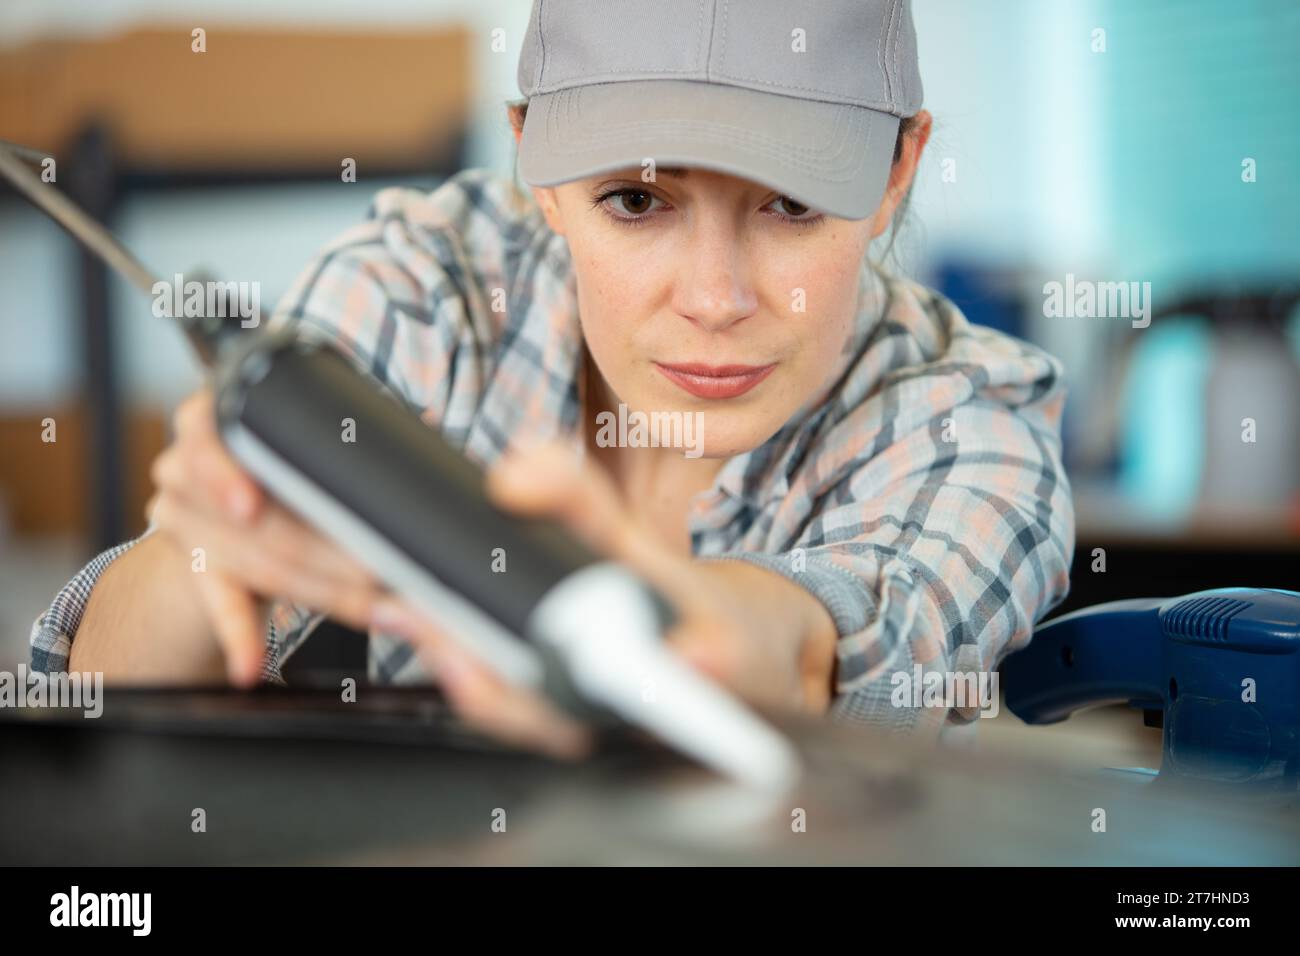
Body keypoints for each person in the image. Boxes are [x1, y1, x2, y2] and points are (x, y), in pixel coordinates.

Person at [31, 0, 1074, 756]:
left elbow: (813, 652)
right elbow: (90, 700)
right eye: (634, 199)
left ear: (897, 168)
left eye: (790, 205)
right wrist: (197, 568)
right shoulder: (429, 285)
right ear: (536, 161)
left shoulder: (970, 419)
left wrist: (688, 636)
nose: (714, 298)